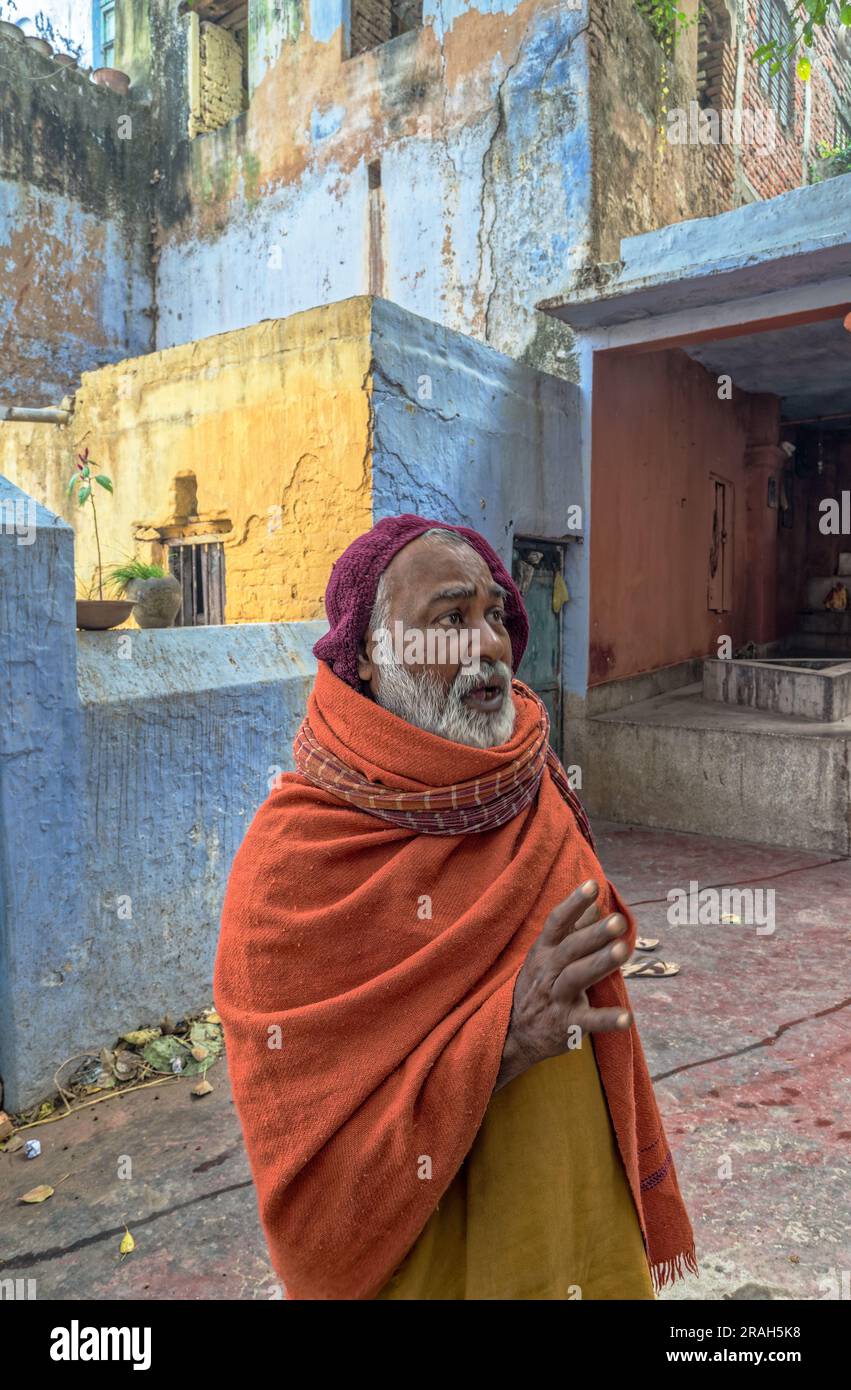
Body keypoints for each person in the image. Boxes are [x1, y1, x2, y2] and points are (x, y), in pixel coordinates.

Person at [213, 514, 696, 1300]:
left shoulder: (532, 785)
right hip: (421, 1260)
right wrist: (500, 1042)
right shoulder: (292, 863)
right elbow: (299, 1139)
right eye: (449, 619)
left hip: (573, 1218)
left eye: (493, 617)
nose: (488, 646)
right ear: (368, 656)